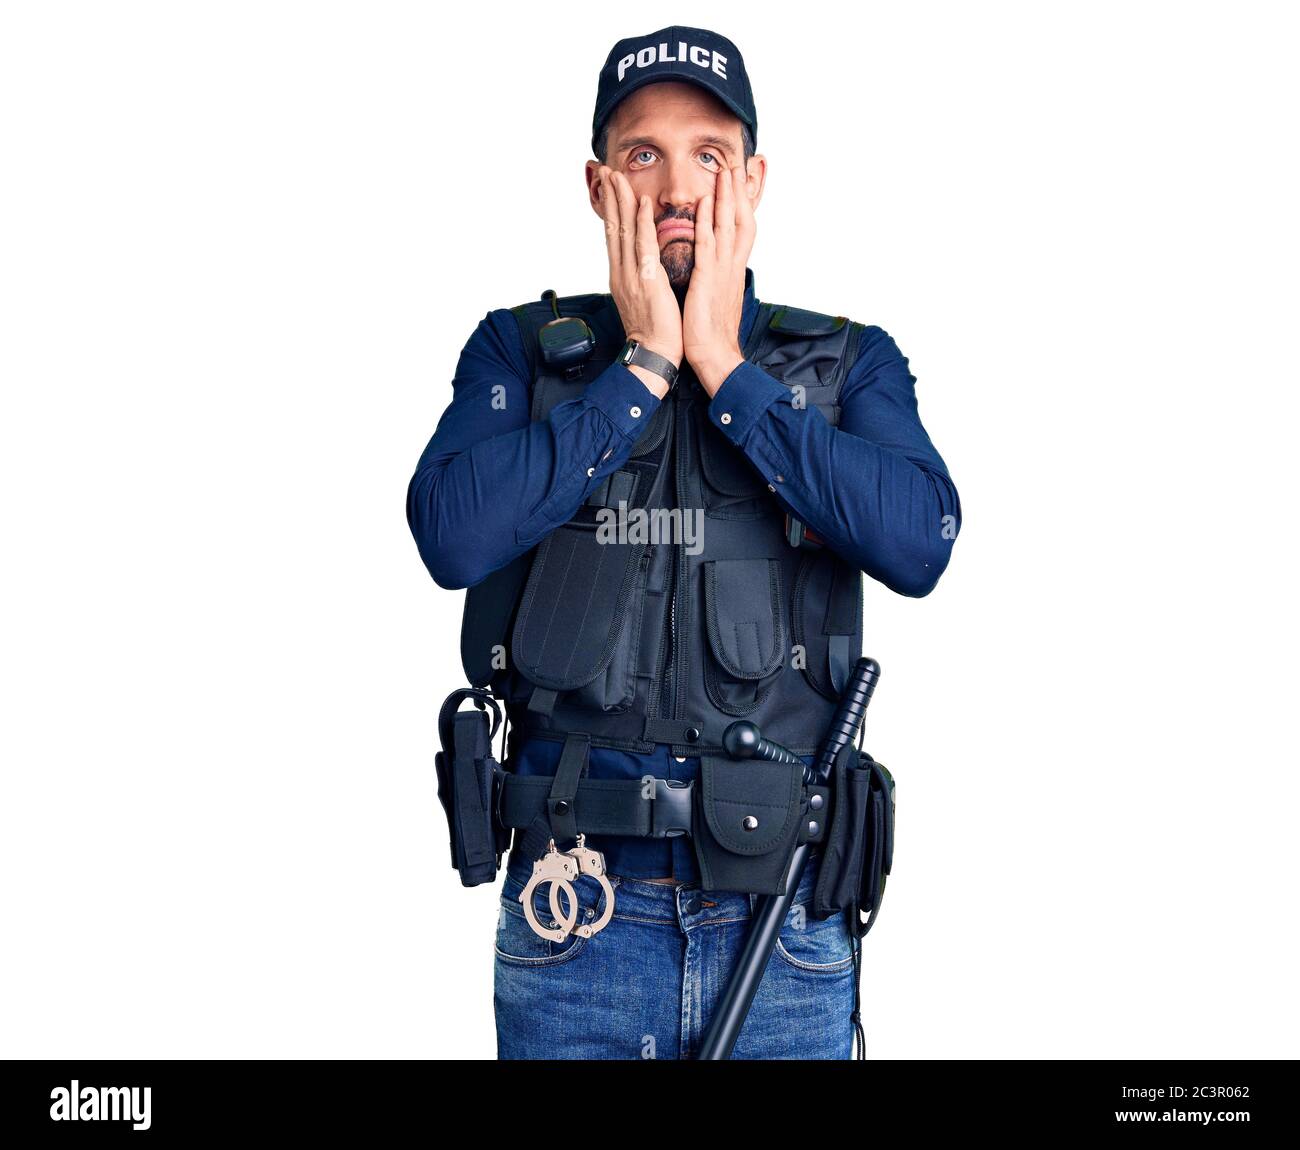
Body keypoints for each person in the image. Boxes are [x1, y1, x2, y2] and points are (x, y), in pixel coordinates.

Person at [406, 25, 961, 1060]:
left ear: (750, 179)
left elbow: (918, 544)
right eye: (641, 153)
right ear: (596, 184)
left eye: (707, 154)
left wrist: (721, 364)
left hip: (782, 924)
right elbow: (451, 535)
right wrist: (641, 370)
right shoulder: (518, 354)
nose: (676, 185)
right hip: (575, 913)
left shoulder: (847, 365)